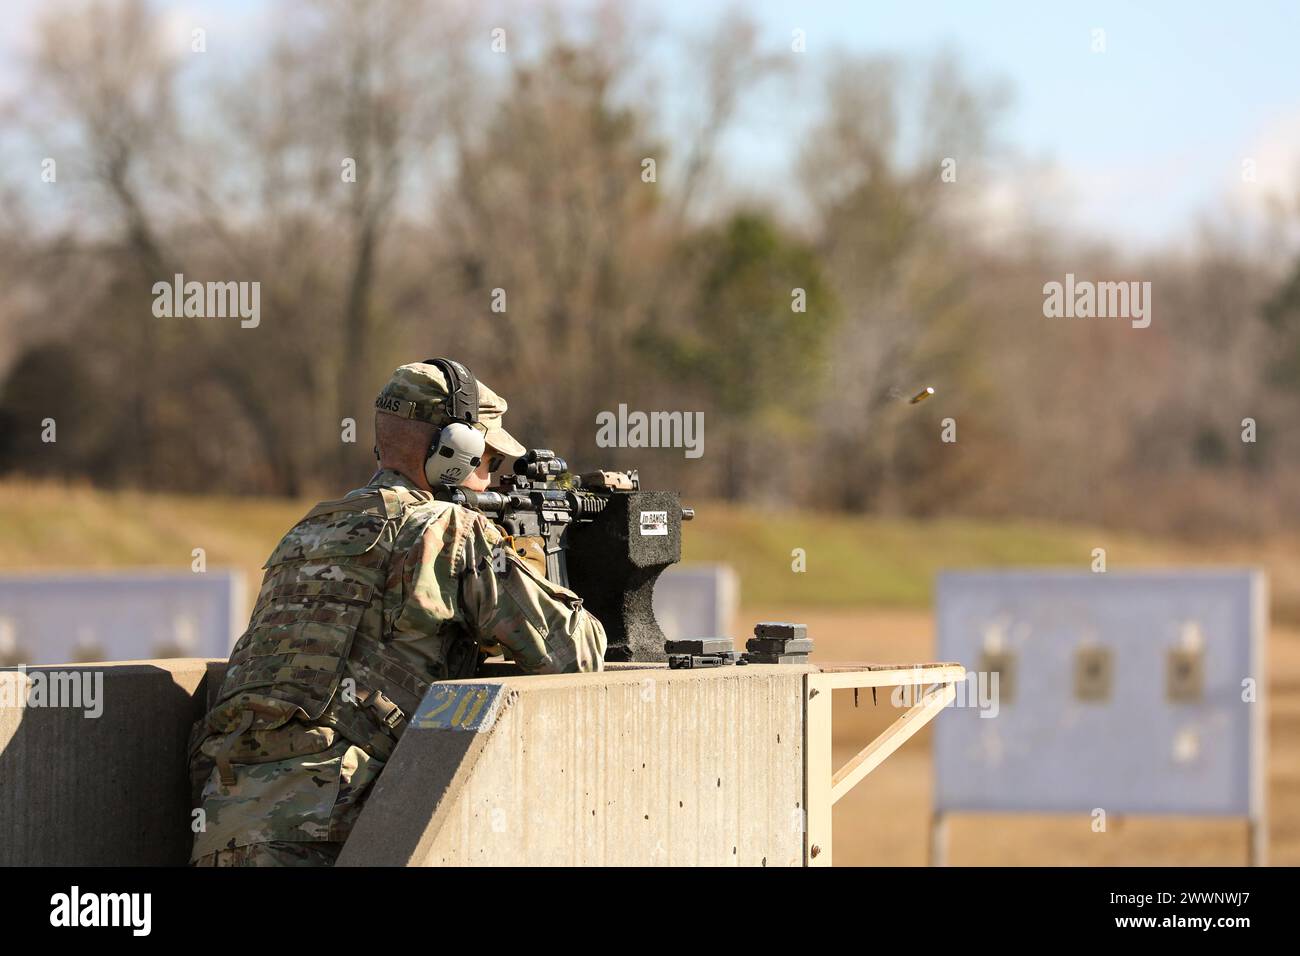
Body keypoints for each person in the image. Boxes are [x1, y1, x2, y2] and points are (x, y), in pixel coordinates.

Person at [188, 360, 607, 866]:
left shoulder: (306, 532)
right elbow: (576, 654)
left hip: (221, 820)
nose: (491, 479)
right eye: (489, 462)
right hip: (331, 828)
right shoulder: (449, 529)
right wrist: (532, 562)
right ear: (455, 451)